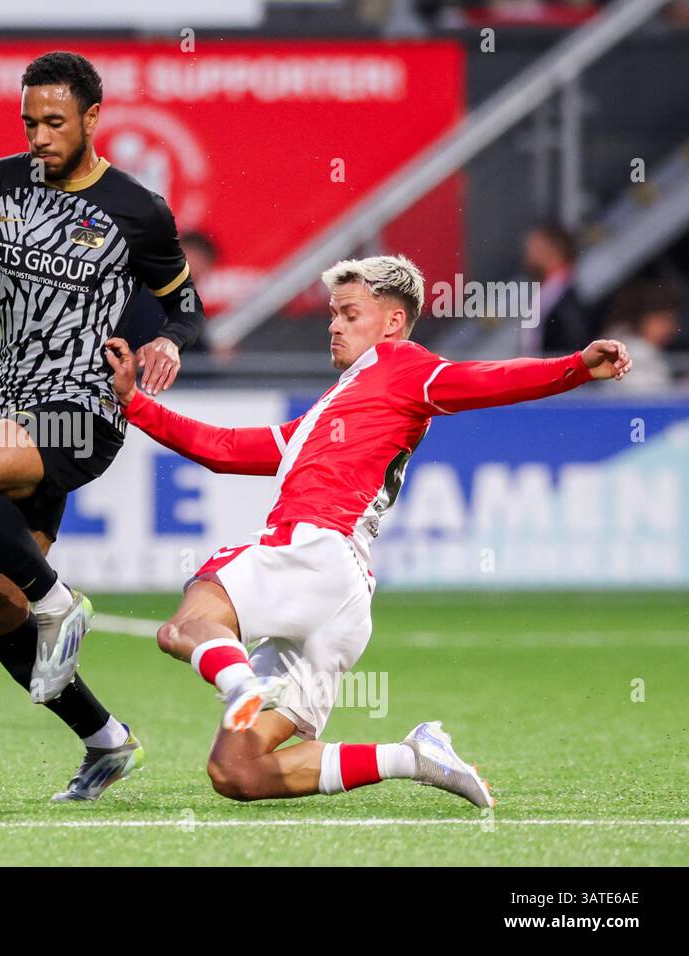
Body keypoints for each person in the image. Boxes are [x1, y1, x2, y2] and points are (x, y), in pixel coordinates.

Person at [104, 253, 631, 807]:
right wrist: (135, 404)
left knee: (185, 625)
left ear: (393, 323)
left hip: (312, 548)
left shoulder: (402, 365)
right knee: (238, 772)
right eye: (333, 313)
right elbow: (224, 449)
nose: (333, 325)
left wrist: (576, 365)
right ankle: (414, 756)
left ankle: (240, 683)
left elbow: (484, 380)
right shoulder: (331, 410)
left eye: (349, 313)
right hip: (344, 595)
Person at [0, 51, 205, 800]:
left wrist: (165, 339)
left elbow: (184, 300)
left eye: (55, 122)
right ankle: (106, 740)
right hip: (14, 409)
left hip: (83, 412)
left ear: (94, 119)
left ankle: (62, 600)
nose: (39, 135)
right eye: (29, 121)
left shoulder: (139, 208)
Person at [522, 221, 594, 354]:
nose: (528, 255)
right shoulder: (547, 295)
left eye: (535, 248)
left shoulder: (567, 304)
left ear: (554, 251)